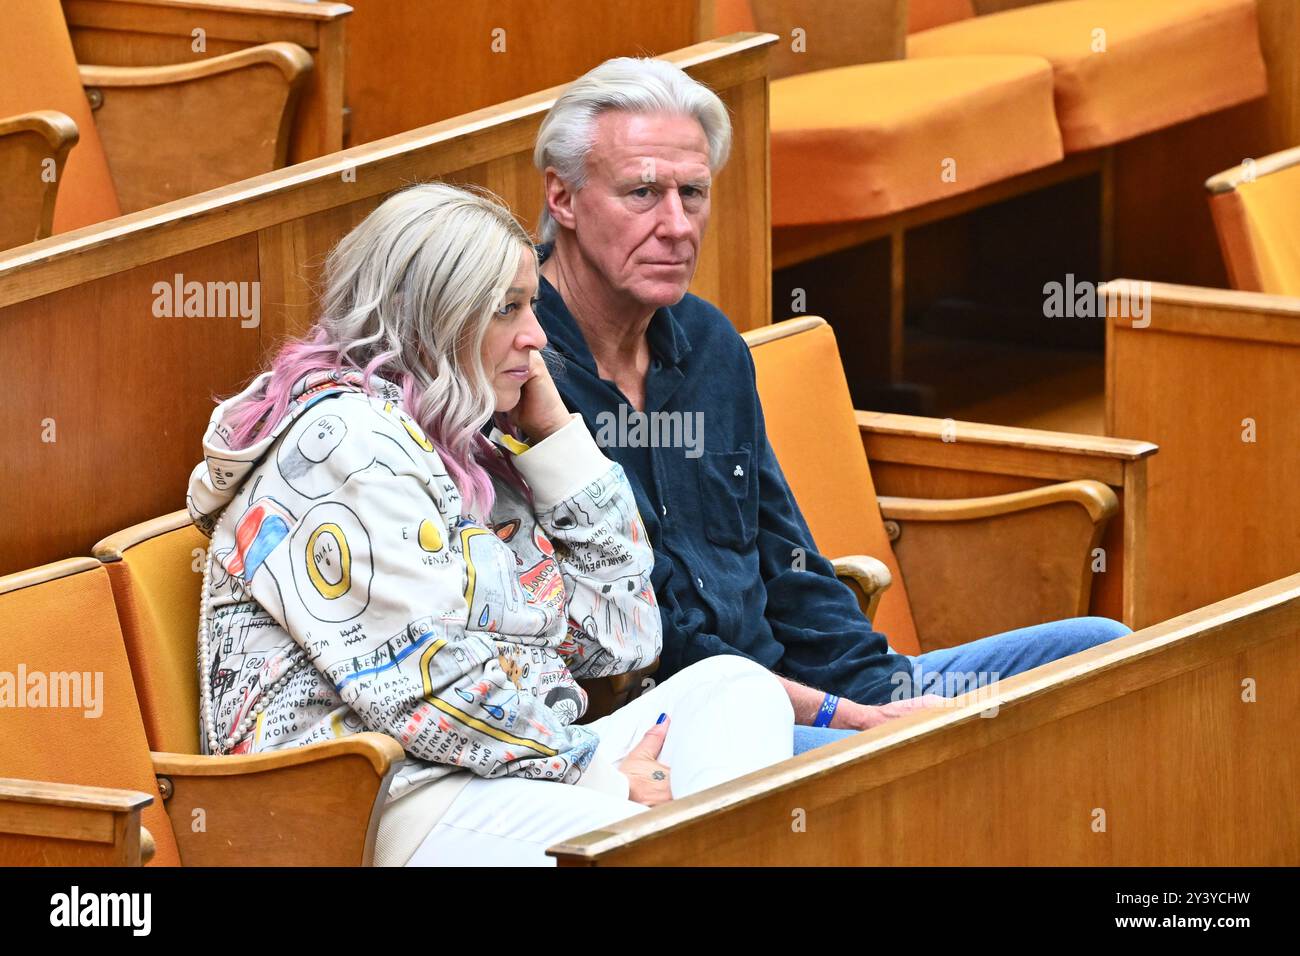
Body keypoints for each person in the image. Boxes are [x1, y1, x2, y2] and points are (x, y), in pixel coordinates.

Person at [528, 57, 1132, 754]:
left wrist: (878, 691)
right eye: (642, 193)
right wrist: (846, 719)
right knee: (915, 757)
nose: (676, 225)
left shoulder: (710, 344)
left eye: (693, 193)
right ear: (564, 198)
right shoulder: (524, 372)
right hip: (684, 731)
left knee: (1100, 653)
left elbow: (793, 566)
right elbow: (648, 646)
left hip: (814, 701)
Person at [186, 182, 794, 866]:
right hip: (384, 803)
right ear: (431, 319)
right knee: (658, 837)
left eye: (531, 305)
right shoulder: (345, 444)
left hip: (514, 767)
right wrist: (599, 779)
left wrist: (559, 441)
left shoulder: (475, 440)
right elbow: (418, 687)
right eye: (507, 309)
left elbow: (623, 639)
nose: (537, 338)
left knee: (737, 689)